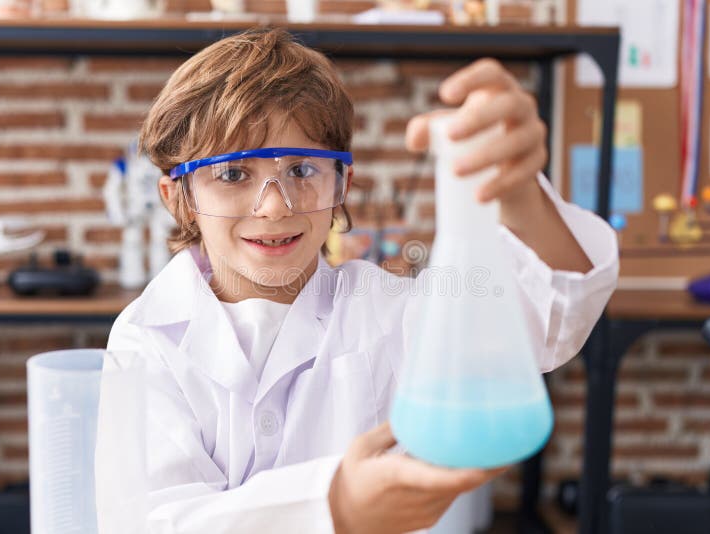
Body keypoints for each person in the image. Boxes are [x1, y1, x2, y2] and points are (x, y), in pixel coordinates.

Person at [95, 28, 618, 534]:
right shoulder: (146, 340)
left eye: (303, 170)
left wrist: (519, 193)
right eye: (233, 174)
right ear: (179, 197)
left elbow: (545, 318)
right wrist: (334, 506)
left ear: (343, 182)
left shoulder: (385, 310)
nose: (276, 205)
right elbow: (151, 521)